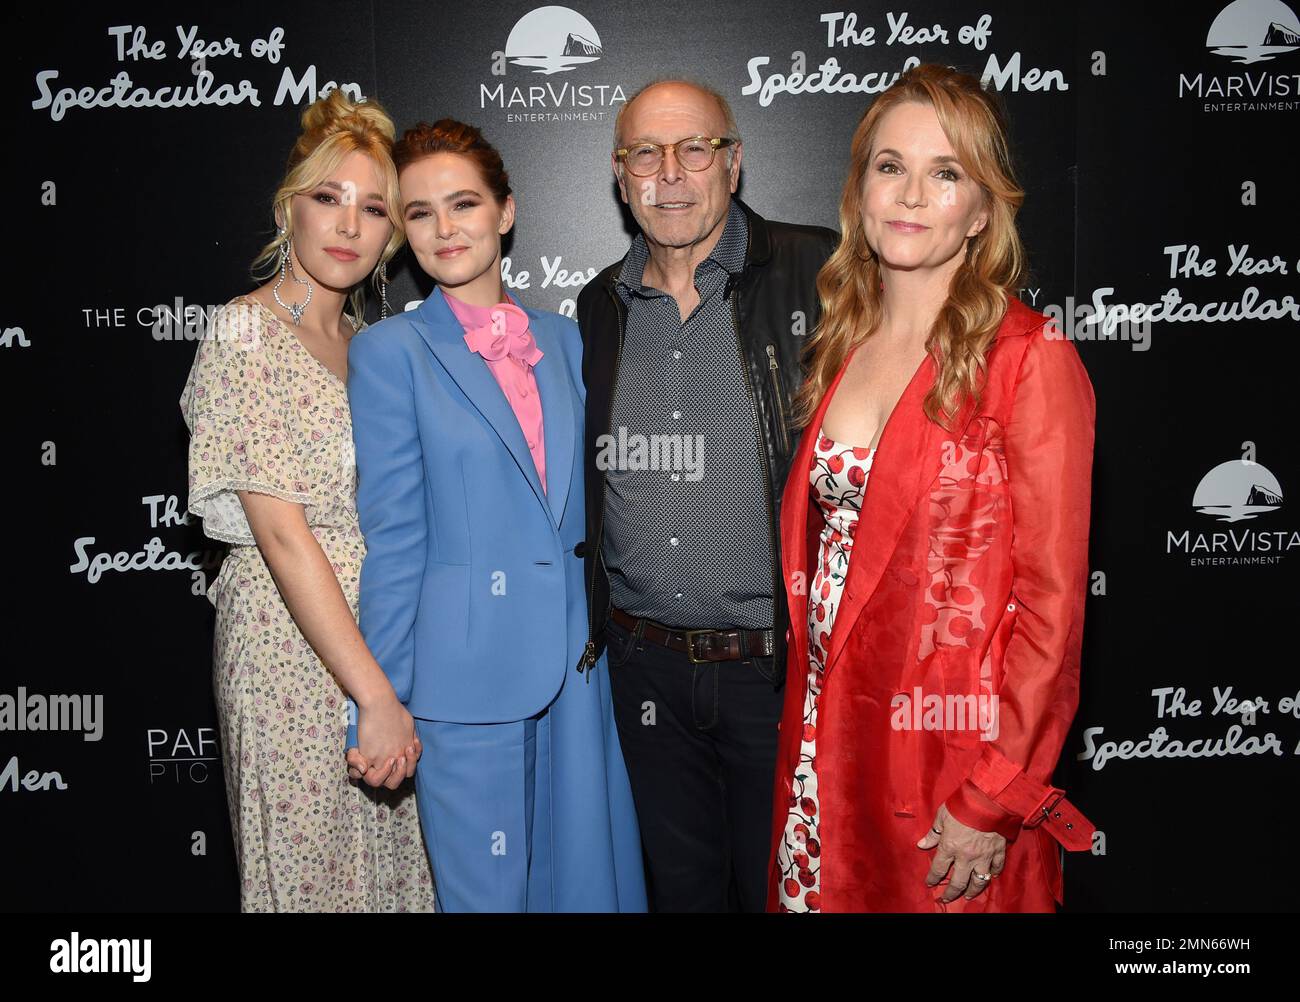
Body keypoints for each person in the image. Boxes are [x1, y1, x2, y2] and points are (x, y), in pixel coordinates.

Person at [767, 64, 1097, 913]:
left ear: (982, 209)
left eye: (945, 173)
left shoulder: (1029, 360)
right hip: (823, 748)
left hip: (946, 767)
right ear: (859, 191)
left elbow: (1051, 615)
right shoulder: (843, 339)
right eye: (889, 167)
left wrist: (995, 794)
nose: (910, 194)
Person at [343, 118, 646, 913]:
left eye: (464, 204)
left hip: (580, 678)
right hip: (463, 686)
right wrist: (380, 699)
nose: (444, 229)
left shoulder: (573, 340)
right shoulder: (388, 356)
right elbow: (396, 541)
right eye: (418, 213)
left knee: (585, 893)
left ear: (505, 213)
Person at [575, 79, 837, 912]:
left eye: (695, 149)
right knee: (680, 896)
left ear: (734, 163)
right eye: (645, 154)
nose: (671, 173)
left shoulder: (821, 274)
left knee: (787, 896)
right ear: (621, 177)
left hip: (774, 671)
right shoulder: (598, 308)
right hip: (643, 670)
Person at [179, 90, 435, 912]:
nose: (348, 225)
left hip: (379, 642)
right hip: (291, 651)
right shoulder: (244, 331)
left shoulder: (373, 349)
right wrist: (375, 697)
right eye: (328, 198)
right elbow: (283, 535)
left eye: (372, 209)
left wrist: (389, 681)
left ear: (392, 236)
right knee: (308, 886)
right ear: (289, 206)